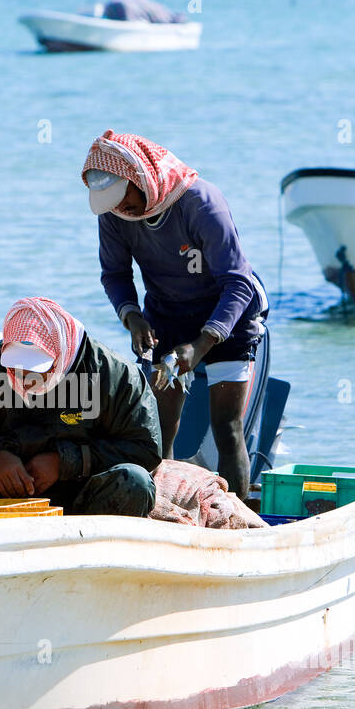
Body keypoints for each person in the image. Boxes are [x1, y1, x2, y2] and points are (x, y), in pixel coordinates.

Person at [82, 129, 268, 498]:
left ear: (140, 178)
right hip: (167, 316)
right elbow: (115, 274)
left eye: (124, 197)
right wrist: (132, 317)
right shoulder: (114, 215)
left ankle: (237, 516)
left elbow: (238, 282)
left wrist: (202, 343)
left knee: (226, 429)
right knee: (159, 427)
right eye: (112, 202)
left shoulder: (200, 202)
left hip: (228, 317)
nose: (122, 208)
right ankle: (165, 511)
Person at [0, 297, 161, 517]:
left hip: (84, 497)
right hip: (3, 497)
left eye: (37, 368)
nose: (25, 378)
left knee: (135, 482)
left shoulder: (114, 373)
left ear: (60, 354)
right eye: (16, 368)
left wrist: (65, 462)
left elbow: (145, 448)